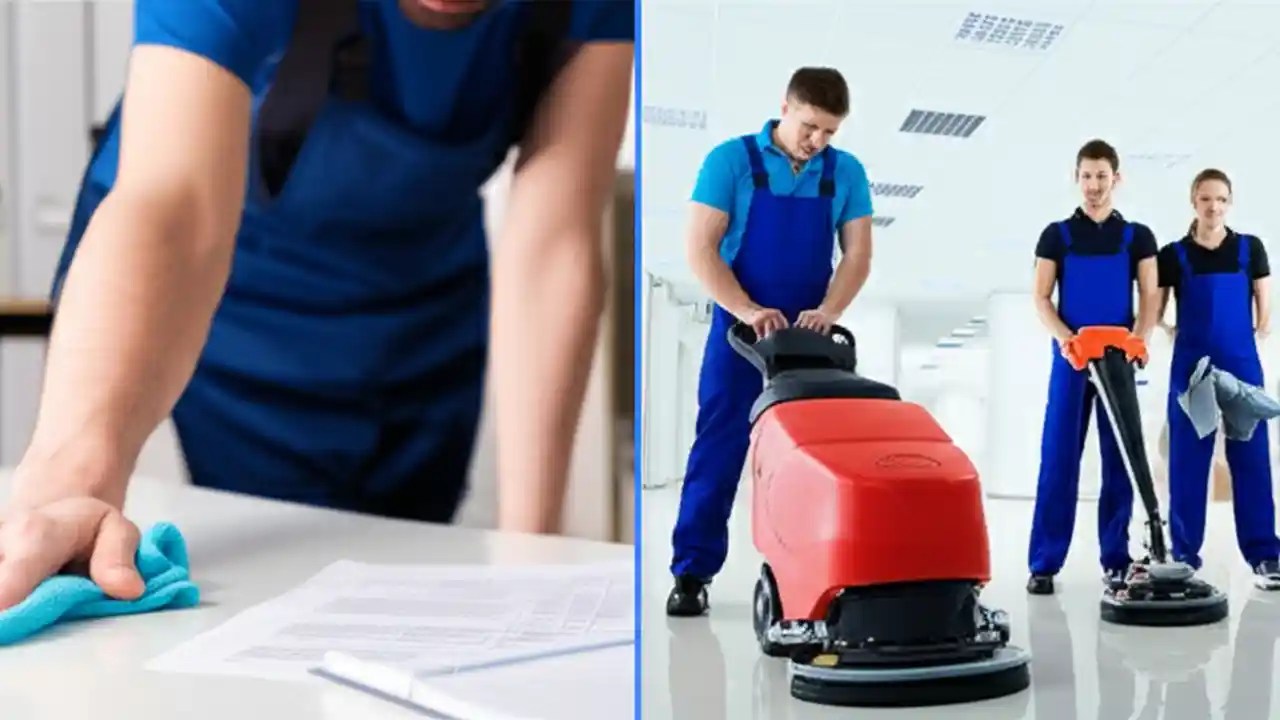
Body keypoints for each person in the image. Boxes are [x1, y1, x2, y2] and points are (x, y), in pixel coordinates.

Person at [0, 0, 633, 612]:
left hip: (420, 309)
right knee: (273, 584)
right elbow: (177, 209)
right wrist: (71, 483)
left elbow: (556, 238)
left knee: (403, 580)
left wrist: (531, 553)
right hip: (238, 307)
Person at [665, 67, 874, 616]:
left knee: (805, 459)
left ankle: (805, 577)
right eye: (810, 126)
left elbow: (857, 255)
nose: (819, 141)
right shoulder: (730, 161)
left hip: (807, 338)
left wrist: (829, 311)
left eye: (830, 131)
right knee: (718, 446)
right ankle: (692, 571)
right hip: (739, 333)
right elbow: (701, 249)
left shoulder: (845, 172)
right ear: (785, 106)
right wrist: (746, 309)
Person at [1026, 139, 1160, 595]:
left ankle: (1116, 559)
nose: (1094, 185)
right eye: (1087, 175)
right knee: (1059, 457)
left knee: (1119, 459)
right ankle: (1044, 563)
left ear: (1116, 179)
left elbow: (1151, 296)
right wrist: (1068, 341)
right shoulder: (1057, 235)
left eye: (1102, 176)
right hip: (1071, 359)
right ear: (1076, 177)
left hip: (1117, 359)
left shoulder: (1137, 236)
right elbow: (1041, 298)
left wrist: (1137, 339)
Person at [1156, 168, 1280, 589]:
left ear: (1230, 203)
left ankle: (1265, 555)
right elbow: (1156, 308)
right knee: (1188, 460)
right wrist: (1167, 329)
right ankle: (1185, 555)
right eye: (1207, 199)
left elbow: (1265, 301)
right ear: (1194, 201)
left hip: (1241, 363)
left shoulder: (1250, 249)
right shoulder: (1174, 254)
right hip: (1192, 365)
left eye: (1221, 199)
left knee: (1252, 459)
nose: (1214, 206)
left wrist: (1259, 329)